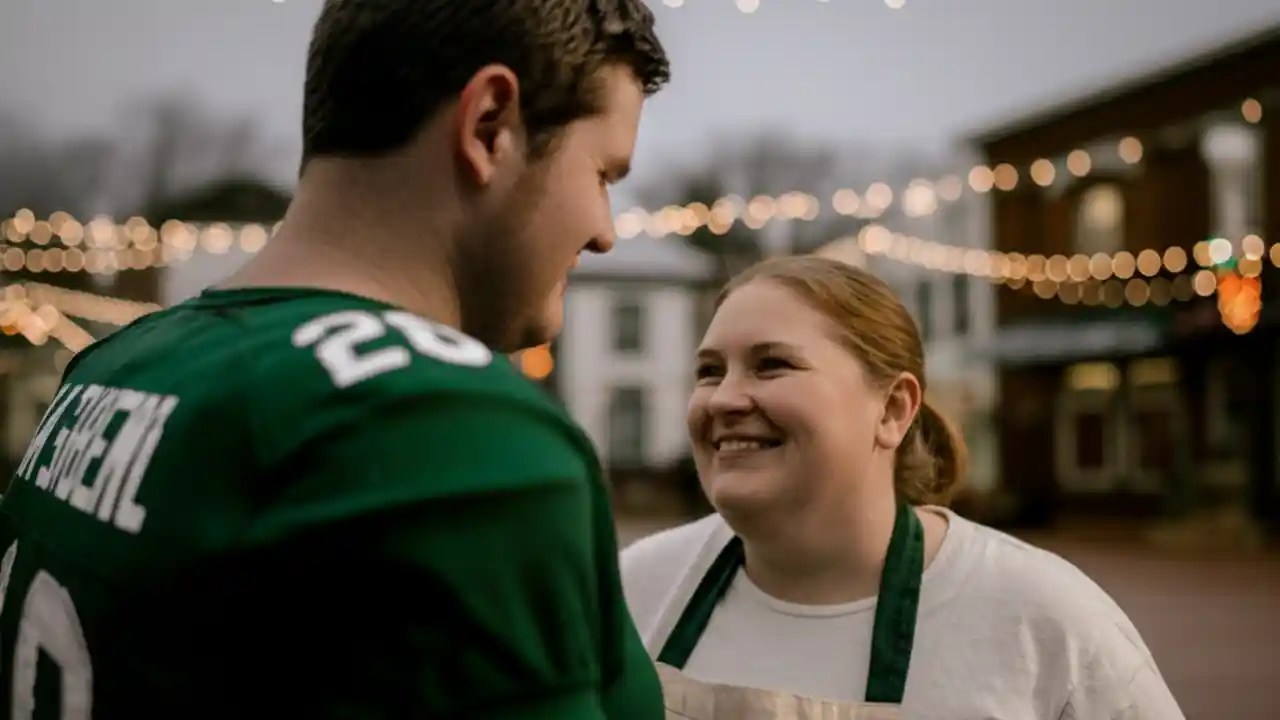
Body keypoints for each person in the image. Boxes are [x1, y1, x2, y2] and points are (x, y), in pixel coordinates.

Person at [0, 1, 669, 717]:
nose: (604, 233)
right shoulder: (446, 427)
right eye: (603, 174)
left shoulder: (113, 365)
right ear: (489, 127)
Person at [621, 256, 1185, 719]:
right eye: (710, 371)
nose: (723, 399)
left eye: (772, 365)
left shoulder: (1043, 618)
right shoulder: (631, 589)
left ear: (892, 409)